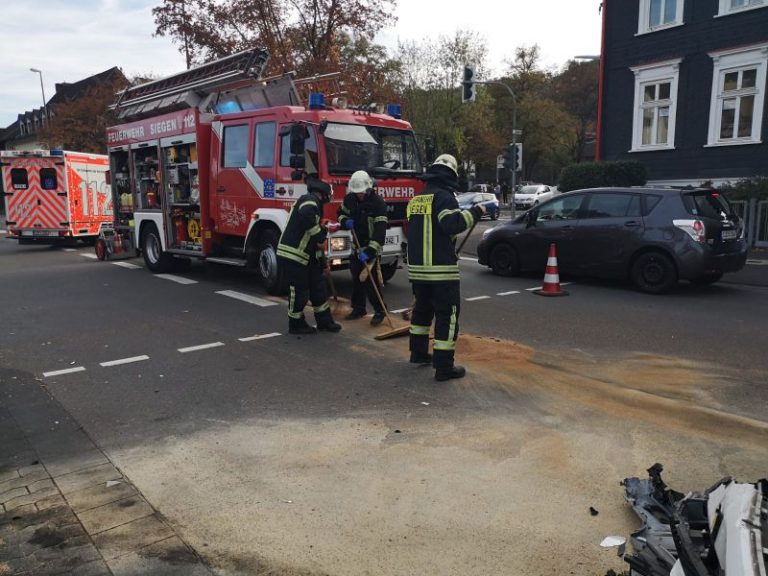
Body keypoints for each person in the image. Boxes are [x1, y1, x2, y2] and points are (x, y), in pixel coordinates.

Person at [406, 154, 485, 381]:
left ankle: (418, 353)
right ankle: (444, 366)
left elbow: (421, 232)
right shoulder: (444, 198)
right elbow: (453, 225)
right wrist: (476, 212)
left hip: (418, 271)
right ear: (450, 176)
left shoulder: (417, 199)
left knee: (422, 312)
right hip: (440, 272)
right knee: (446, 316)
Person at [277, 175, 342, 335]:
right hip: (293, 256)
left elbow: (316, 243)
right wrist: (321, 232)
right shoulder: (309, 200)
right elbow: (309, 219)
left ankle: (324, 322)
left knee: (318, 288)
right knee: (300, 291)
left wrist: (324, 264)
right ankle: (296, 324)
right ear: (324, 194)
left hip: (307, 256)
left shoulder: (316, 206)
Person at [337, 170, 389, 326]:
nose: (359, 195)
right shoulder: (350, 199)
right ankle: (359, 308)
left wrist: (370, 251)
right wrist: (344, 221)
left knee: (370, 280)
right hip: (356, 247)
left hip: (370, 247)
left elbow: (380, 231)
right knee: (356, 280)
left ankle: (380, 310)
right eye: (357, 192)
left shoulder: (378, 203)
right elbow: (339, 213)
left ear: (368, 188)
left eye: (362, 192)